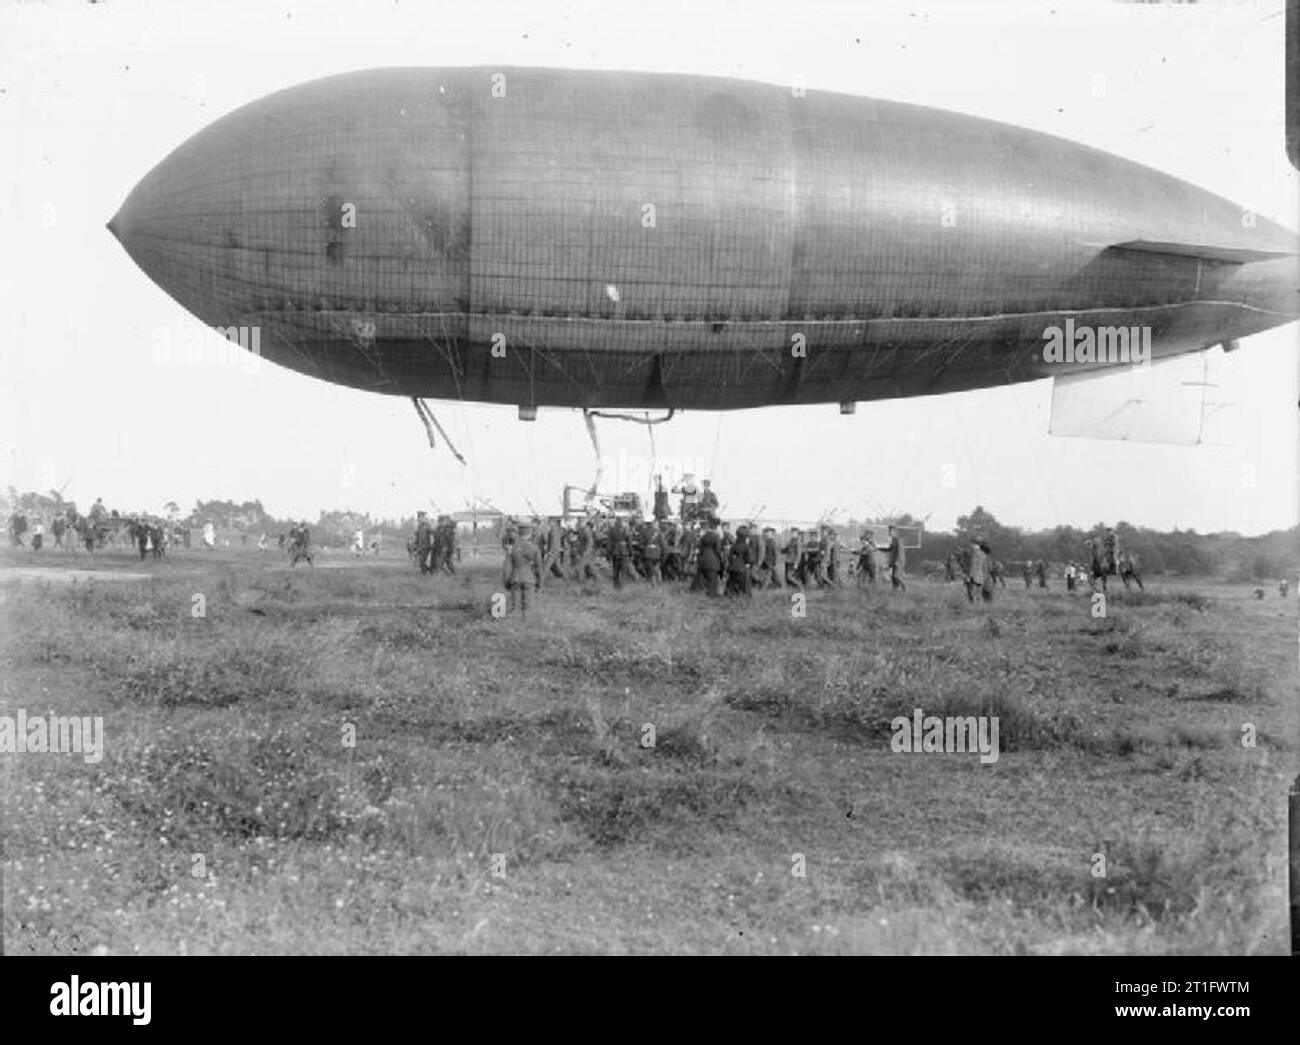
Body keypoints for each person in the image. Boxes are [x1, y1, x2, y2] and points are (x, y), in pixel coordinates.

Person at [501, 521, 541, 616]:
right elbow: (539, 567)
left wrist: (506, 582)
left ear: (518, 532)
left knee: (515, 607)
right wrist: (539, 583)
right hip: (529, 580)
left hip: (515, 579)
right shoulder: (534, 548)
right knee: (528, 608)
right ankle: (527, 627)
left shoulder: (511, 548)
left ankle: (515, 626)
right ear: (530, 533)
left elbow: (506, 567)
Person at [693, 521, 722, 596]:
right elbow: (718, 550)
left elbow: (700, 547)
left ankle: (700, 590)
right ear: (715, 528)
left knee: (701, 577)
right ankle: (712, 593)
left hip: (702, 559)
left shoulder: (703, 537)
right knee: (713, 579)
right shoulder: (716, 537)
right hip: (712, 560)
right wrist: (720, 559)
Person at [608, 516, 633, 590]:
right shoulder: (626, 529)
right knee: (623, 571)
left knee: (615, 571)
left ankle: (616, 587)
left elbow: (609, 544)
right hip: (624, 552)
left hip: (615, 552)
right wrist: (631, 553)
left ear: (615, 521)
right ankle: (622, 587)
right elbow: (629, 542)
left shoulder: (611, 530)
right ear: (622, 522)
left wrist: (608, 554)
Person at [966, 538, 992, 603]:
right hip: (981, 577)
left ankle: (974, 607)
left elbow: (972, 566)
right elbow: (985, 567)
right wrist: (985, 577)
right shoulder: (984, 555)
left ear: (974, 544)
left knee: (973, 593)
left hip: (973, 576)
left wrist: (968, 576)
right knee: (979, 594)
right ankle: (979, 607)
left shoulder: (972, 554)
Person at [886, 525, 907, 592]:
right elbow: (889, 549)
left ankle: (905, 589)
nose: (889, 532)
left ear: (895, 532)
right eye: (889, 531)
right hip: (894, 561)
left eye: (890, 531)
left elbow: (900, 551)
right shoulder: (892, 540)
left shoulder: (898, 540)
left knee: (896, 576)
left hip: (899, 561)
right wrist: (877, 548)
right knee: (893, 577)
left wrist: (897, 561)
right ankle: (895, 591)